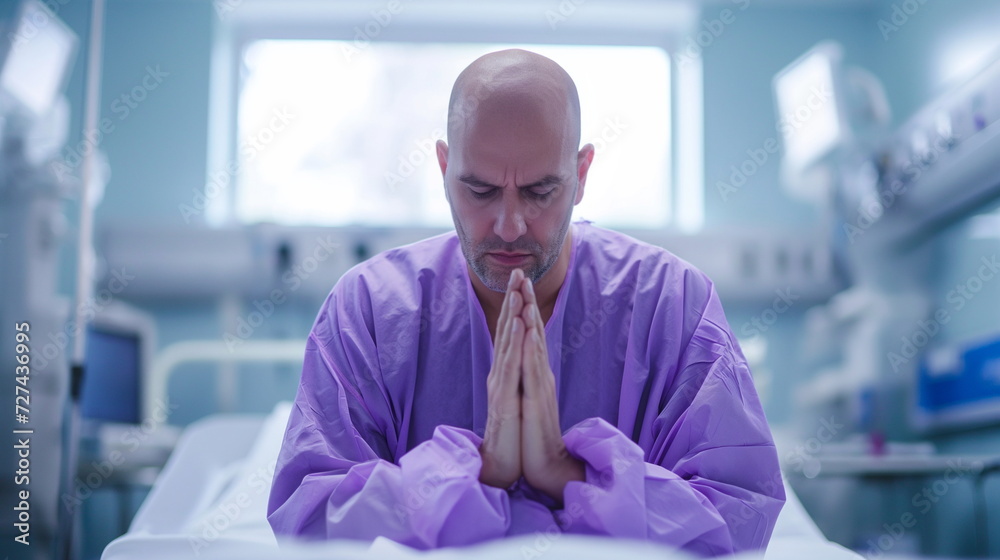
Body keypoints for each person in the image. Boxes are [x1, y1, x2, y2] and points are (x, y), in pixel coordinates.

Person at [267, 48, 784, 555]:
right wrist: (477, 469)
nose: (510, 226)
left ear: (581, 176)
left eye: (539, 191)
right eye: (480, 189)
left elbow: (737, 520)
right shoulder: (371, 311)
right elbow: (309, 522)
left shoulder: (672, 306)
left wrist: (567, 471)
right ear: (444, 169)